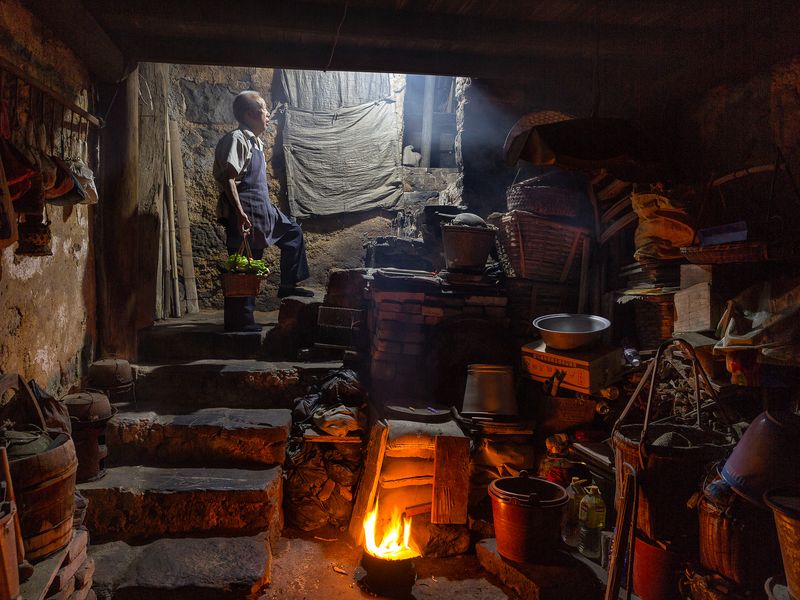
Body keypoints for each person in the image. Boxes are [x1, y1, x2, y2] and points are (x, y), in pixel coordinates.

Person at [214, 90, 312, 332]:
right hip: (246, 210)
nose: (268, 114)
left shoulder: (254, 141)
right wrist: (239, 213)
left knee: (292, 233)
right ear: (249, 114)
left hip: (263, 208)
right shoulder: (236, 139)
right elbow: (229, 180)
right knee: (245, 265)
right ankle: (240, 322)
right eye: (264, 110)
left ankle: (288, 285)